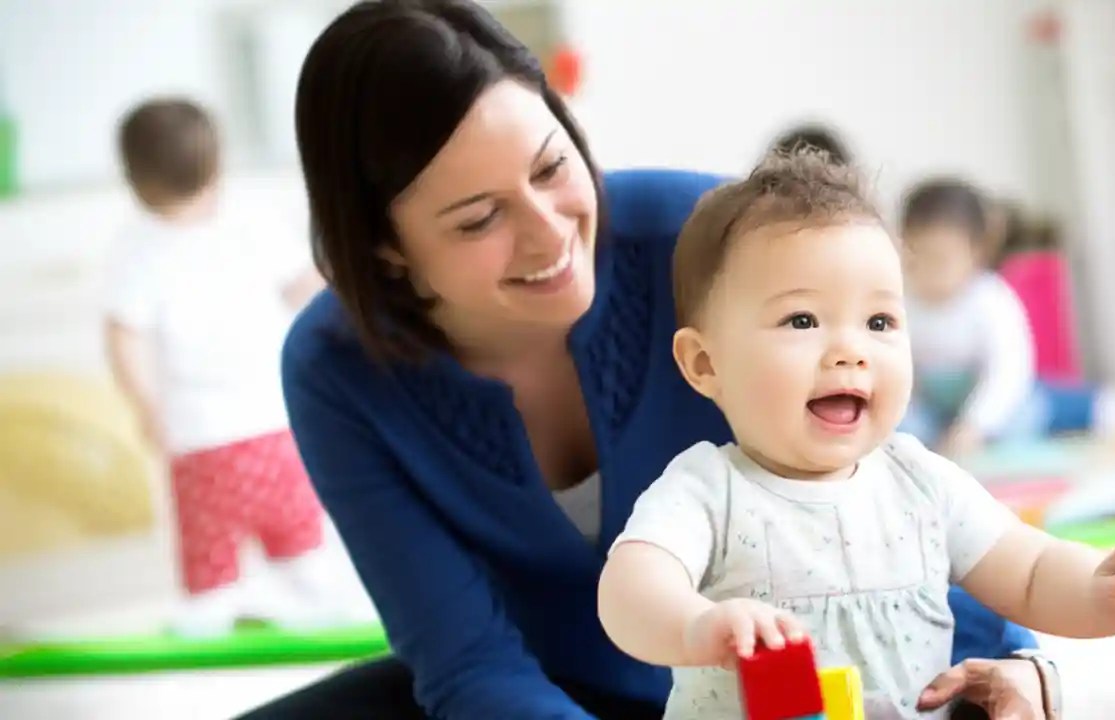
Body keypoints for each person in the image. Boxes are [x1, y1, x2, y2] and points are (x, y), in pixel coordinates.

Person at [246, 1, 1068, 717]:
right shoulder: (334, 370)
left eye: (552, 167)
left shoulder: (704, 242)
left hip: (794, 691)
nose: (549, 232)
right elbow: (468, 663)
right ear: (386, 249)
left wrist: (1020, 660)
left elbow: (881, 486)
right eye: (476, 219)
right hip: (544, 691)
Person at [596, 151, 1115, 719]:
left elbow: (1030, 572)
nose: (851, 349)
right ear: (705, 364)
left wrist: (1105, 591)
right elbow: (631, 588)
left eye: (880, 320)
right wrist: (695, 625)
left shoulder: (920, 478)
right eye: (802, 319)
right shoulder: (708, 489)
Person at [104, 98, 331, 636]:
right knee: (303, 551)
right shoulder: (250, 218)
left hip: (200, 442)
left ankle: (210, 622)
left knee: (209, 570)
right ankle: (311, 610)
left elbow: (123, 337)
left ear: (133, 178)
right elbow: (305, 287)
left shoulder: (135, 246)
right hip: (277, 427)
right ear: (217, 164)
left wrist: (146, 407)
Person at [898, 179, 1045, 458]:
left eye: (940, 260)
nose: (927, 272)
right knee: (898, 429)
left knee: (1024, 414)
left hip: (987, 404)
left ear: (976, 254)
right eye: (915, 259)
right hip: (934, 409)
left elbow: (1008, 371)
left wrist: (974, 426)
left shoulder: (990, 299)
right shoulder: (901, 300)